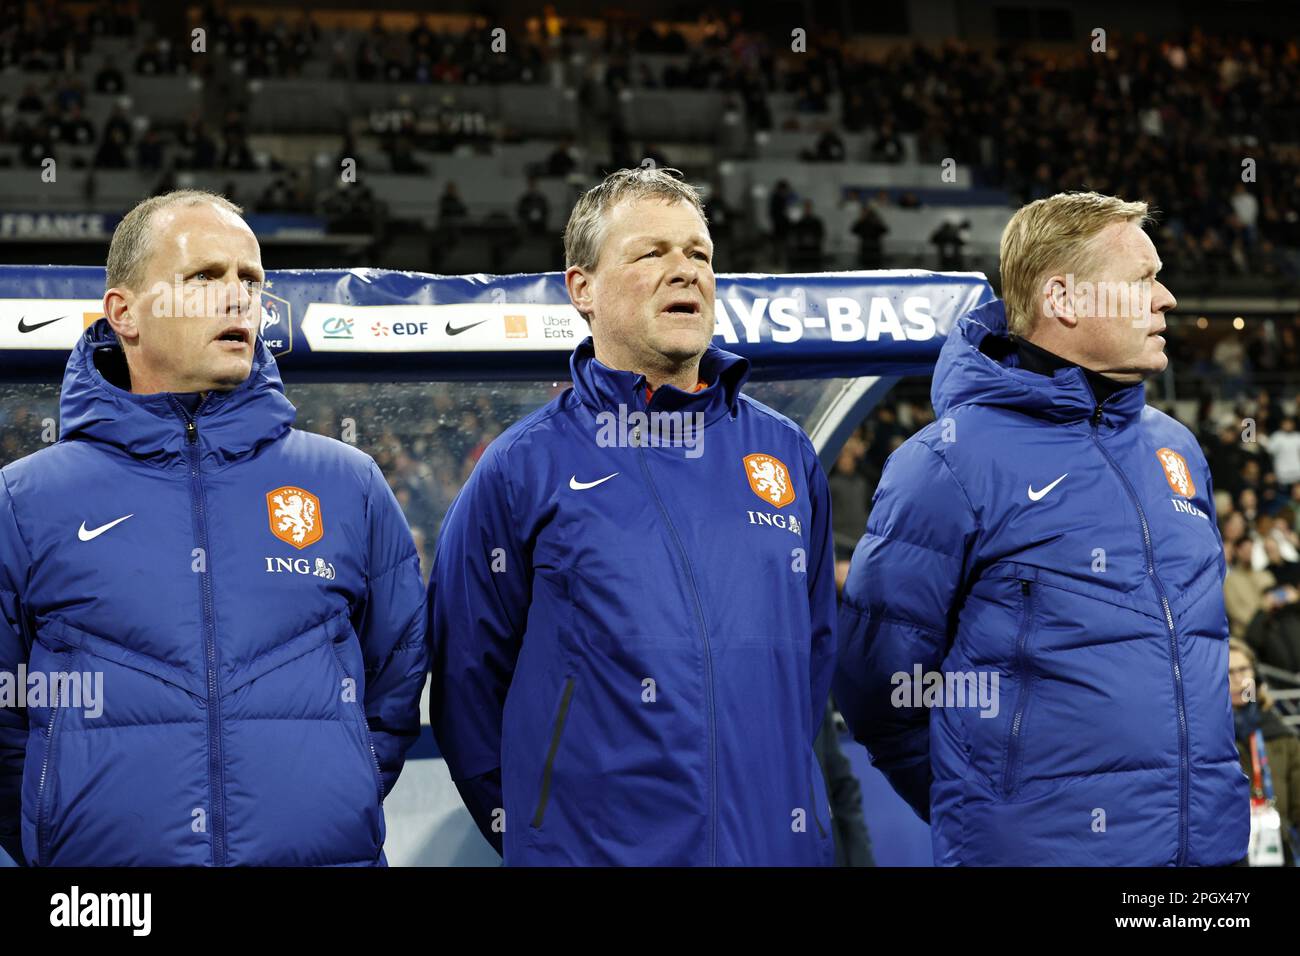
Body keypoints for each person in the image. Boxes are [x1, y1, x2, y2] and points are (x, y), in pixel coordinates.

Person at [0, 190, 427, 866]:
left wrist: (334, 792)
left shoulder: (348, 483)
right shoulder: (24, 499)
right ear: (125, 314)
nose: (237, 298)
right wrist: (54, 825)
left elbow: (396, 684)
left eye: (250, 280)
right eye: (204, 277)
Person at [428, 166, 837, 865]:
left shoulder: (786, 454)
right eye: (651, 254)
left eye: (699, 255)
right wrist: (548, 836)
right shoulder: (522, 467)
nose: (684, 272)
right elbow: (466, 691)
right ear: (581, 288)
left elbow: (812, 666)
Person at [836, 191, 1250, 865]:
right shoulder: (945, 464)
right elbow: (878, 691)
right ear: (1064, 298)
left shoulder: (1177, 451)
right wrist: (995, 817)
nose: (1167, 297)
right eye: (1142, 279)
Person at [1229, 639, 1300, 864]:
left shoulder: (1282, 734)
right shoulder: (1206, 739)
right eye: (1228, 673)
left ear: (1255, 676)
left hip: (1280, 850)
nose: (1239, 680)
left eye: (1243, 670)